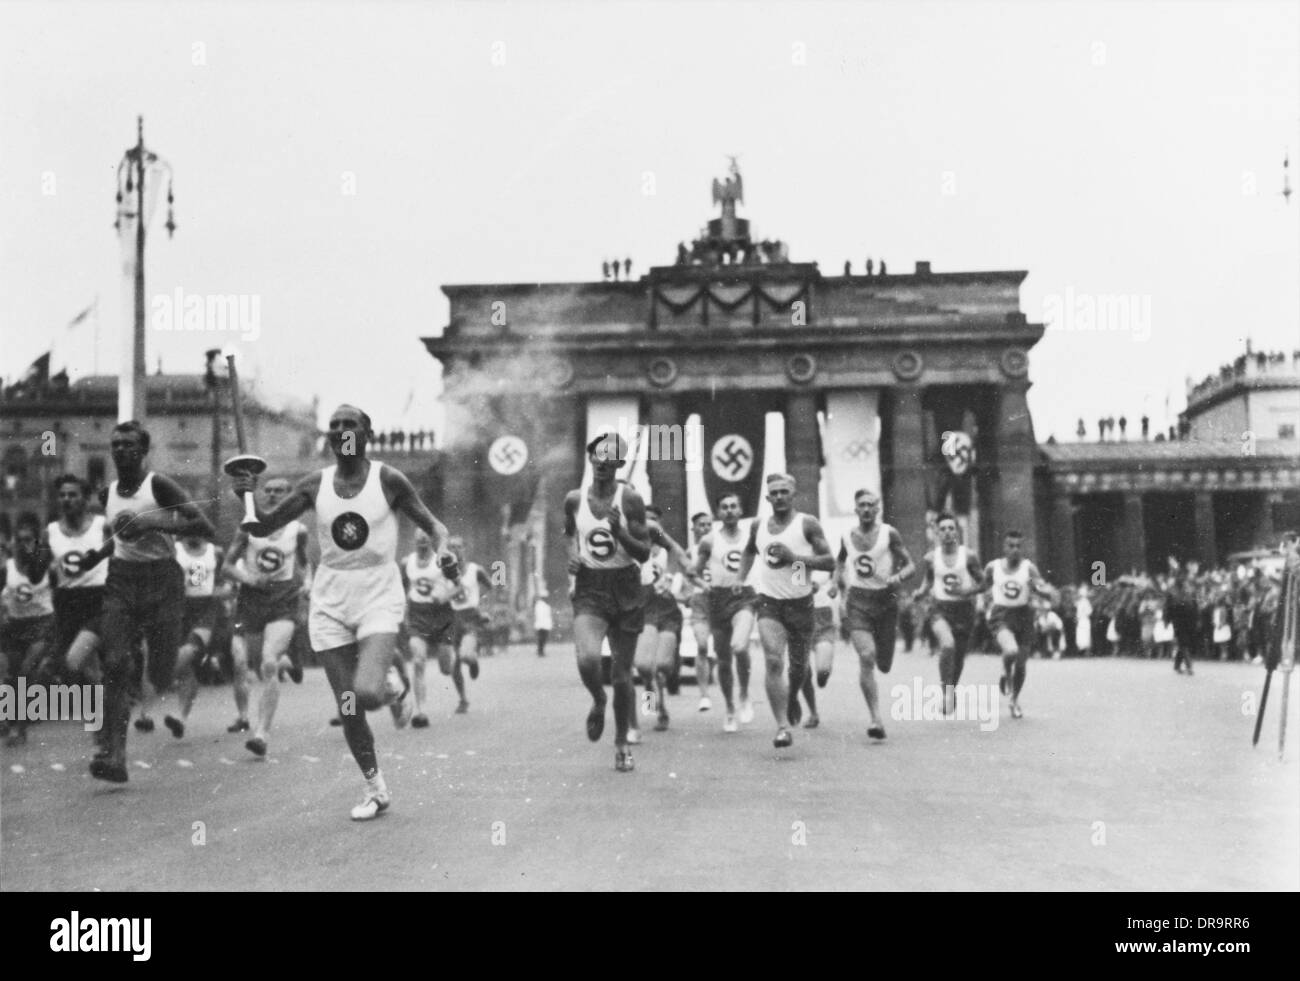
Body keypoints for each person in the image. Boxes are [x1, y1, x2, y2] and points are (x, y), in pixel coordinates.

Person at [231, 404, 451, 819]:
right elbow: (262, 526)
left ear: (367, 433)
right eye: (334, 426)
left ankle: (392, 689)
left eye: (349, 425)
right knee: (348, 703)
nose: (340, 431)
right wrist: (243, 491)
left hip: (378, 595)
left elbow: (435, 526)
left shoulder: (389, 479)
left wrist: (444, 554)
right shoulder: (315, 484)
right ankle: (375, 788)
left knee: (367, 693)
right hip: (331, 599)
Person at [76, 420, 216, 782]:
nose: (120, 450)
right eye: (115, 444)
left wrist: (154, 526)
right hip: (123, 580)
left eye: (128, 444)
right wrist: (95, 557)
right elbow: (122, 538)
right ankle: (115, 757)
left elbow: (205, 527)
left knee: (160, 673)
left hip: (163, 580)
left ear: (143, 449)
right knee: (115, 664)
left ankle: (183, 661)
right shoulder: (108, 494)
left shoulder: (159, 485)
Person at [563, 432, 651, 772]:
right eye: (597, 457)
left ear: (617, 464)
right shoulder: (574, 499)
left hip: (626, 586)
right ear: (591, 460)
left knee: (622, 674)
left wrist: (621, 534)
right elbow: (570, 534)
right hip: (590, 586)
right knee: (587, 658)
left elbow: (643, 553)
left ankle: (621, 743)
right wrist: (573, 557)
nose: (602, 463)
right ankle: (598, 700)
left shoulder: (630, 500)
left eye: (609, 458)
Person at [213, 477, 311, 756]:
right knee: (254, 664)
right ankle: (288, 661)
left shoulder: (298, 530)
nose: (272, 496)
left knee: (267, 662)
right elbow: (227, 568)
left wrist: (308, 583)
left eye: (279, 491)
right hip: (252, 602)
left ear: (289, 497)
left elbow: (305, 563)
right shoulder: (248, 529)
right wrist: (249, 578)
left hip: (284, 600)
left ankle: (261, 734)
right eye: (267, 491)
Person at [738, 474, 835, 749]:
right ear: (767, 498)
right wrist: (739, 578)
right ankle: (782, 726)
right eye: (774, 493)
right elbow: (748, 551)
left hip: (801, 604)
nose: (779, 497)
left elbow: (829, 563)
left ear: (793, 495)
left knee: (798, 669)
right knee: (773, 661)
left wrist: (795, 559)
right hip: (769, 603)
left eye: (784, 492)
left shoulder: (807, 524)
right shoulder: (758, 525)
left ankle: (793, 696)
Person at [835, 489, 916, 738]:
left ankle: (876, 712)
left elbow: (911, 565)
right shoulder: (847, 536)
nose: (867, 509)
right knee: (867, 656)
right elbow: (840, 563)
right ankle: (876, 719)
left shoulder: (889, 533)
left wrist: (898, 576)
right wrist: (839, 587)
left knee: (884, 664)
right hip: (858, 601)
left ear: (877, 508)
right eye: (862, 505)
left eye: (871, 505)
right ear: (856, 509)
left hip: (885, 601)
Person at [692, 492, 758, 733]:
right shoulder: (709, 540)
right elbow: (694, 571)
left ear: (741, 511)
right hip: (717, 599)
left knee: (740, 646)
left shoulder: (751, 537)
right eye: (724, 507)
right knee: (723, 659)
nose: (729, 510)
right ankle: (730, 708)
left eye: (734, 506)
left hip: (744, 596)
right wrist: (703, 585)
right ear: (719, 512)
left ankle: (744, 693)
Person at [973, 531, 1057, 719]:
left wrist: (1046, 592)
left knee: (1020, 665)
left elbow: (1039, 585)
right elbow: (981, 586)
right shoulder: (993, 567)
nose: (1015, 550)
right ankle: (1004, 670)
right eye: (1011, 546)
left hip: (1024, 615)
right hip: (1002, 614)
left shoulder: (1028, 568)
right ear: (1004, 548)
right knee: (1011, 651)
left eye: (1018, 546)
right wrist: (963, 591)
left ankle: (1014, 699)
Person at [630, 505, 697, 737]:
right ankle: (659, 708)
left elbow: (681, 560)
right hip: (645, 610)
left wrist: (672, 578)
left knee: (663, 667)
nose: (649, 524)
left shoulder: (667, 551)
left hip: (668, 612)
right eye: (645, 519)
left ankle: (659, 701)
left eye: (653, 520)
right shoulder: (633, 549)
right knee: (645, 667)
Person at [913, 512, 983, 715]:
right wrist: (920, 592)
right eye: (942, 529)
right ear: (937, 533)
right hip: (940, 608)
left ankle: (952, 689)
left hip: (964, 610)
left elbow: (983, 583)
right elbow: (928, 580)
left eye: (951, 528)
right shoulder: (931, 557)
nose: (947, 532)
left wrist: (967, 591)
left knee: (959, 658)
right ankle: (946, 693)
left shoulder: (968, 556)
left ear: (957, 531)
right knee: (947, 645)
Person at [44, 475, 107, 686]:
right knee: (84, 664)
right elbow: (42, 568)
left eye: (72, 494)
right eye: (62, 495)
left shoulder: (101, 526)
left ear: (85, 499)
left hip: (97, 600)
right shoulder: (50, 532)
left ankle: (108, 704)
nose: (66, 499)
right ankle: (106, 709)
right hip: (67, 603)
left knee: (75, 659)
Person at [0, 517, 55, 747]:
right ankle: (12, 720)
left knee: (25, 672)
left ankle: (18, 729)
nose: (23, 544)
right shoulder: (7, 568)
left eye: (28, 540)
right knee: (11, 674)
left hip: (40, 625)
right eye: (19, 539)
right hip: (14, 626)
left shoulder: (47, 568)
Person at [400, 529, 459, 726]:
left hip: (441, 616)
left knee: (445, 668)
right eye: (419, 541)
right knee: (418, 661)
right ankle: (420, 712)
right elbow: (401, 587)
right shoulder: (406, 563)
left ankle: (451, 659)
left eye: (426, 541)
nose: (423, 545)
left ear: (432, 542)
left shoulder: (442, 560)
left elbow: (459, 586)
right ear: (414, 542)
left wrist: (445, 595)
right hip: (418, 616)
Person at [446, 536, 492, 705]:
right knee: (454, 664)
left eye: (458, 547)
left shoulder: (475, 569)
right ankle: (463, 699)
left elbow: (490, 586)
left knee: (465, 655)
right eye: (451, 547)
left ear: (465, 549)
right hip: (453, 618)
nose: (455, 550)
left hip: (471, 617)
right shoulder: (444, 572)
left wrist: (481, 604)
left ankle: (473, 662)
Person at [797, 570, 838, 729]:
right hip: (801, 616)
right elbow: (796, 584)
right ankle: (813, 713)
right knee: (803, 669)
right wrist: (806, 587)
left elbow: (838, 576)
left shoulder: (826, 558)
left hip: (823, 617)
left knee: (822, 671)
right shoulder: (798, 560)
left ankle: (825, 671)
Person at [685, 511, 716, 713]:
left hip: (719, 600)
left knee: (722, 649)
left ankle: (654, 709)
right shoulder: (689, 552)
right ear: (693, 529)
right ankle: (704, 695)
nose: (705, 528)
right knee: (702, 645)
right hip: (699, 602)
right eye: (701, 525)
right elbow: (685, 578)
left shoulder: (719, 546)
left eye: (708, 524)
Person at [534, 586, 553, 657]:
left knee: (543, 639)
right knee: (541, 639)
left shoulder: (544, 605)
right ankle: (540, 651)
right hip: (542, 624)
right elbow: (540, 616)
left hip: (544, 625)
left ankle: (541, 651)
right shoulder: (540, 605)